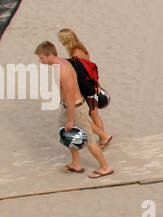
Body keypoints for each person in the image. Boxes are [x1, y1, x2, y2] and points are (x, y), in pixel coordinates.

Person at [36, 41, 113, 178]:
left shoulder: (62, 71)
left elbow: (71, 96)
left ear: (49, 55)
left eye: (41, 57)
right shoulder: (59, 64)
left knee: (88, 139)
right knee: (67, 135)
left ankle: (105, 167)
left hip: (75, 107)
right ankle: (76, 163)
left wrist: (70, 119)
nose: (40, 60)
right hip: (68, 106)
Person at [57, 28, 112, 148]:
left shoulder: (75, 53)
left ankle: (103, 137)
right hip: (93, 85)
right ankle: (103, 138)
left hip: (88, 89)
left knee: (91, 115)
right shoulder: (81, 48)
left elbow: (80, 74)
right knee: (93, 114)